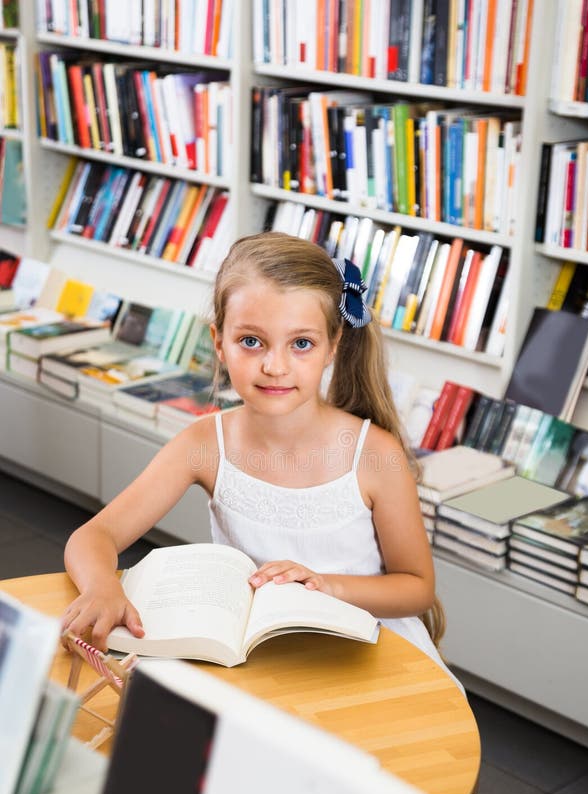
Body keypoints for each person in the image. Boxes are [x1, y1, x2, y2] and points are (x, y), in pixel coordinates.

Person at [62, 231, 454, 688]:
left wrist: (325, 585)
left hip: (364, 654)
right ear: (219, 341)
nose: (275, 365)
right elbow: (95, 535)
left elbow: (416, 586)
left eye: (301, 344)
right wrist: (100, 586)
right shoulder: (203, 444)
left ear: (333, 345)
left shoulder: (375, 455)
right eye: (252, 341)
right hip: (255, 656)